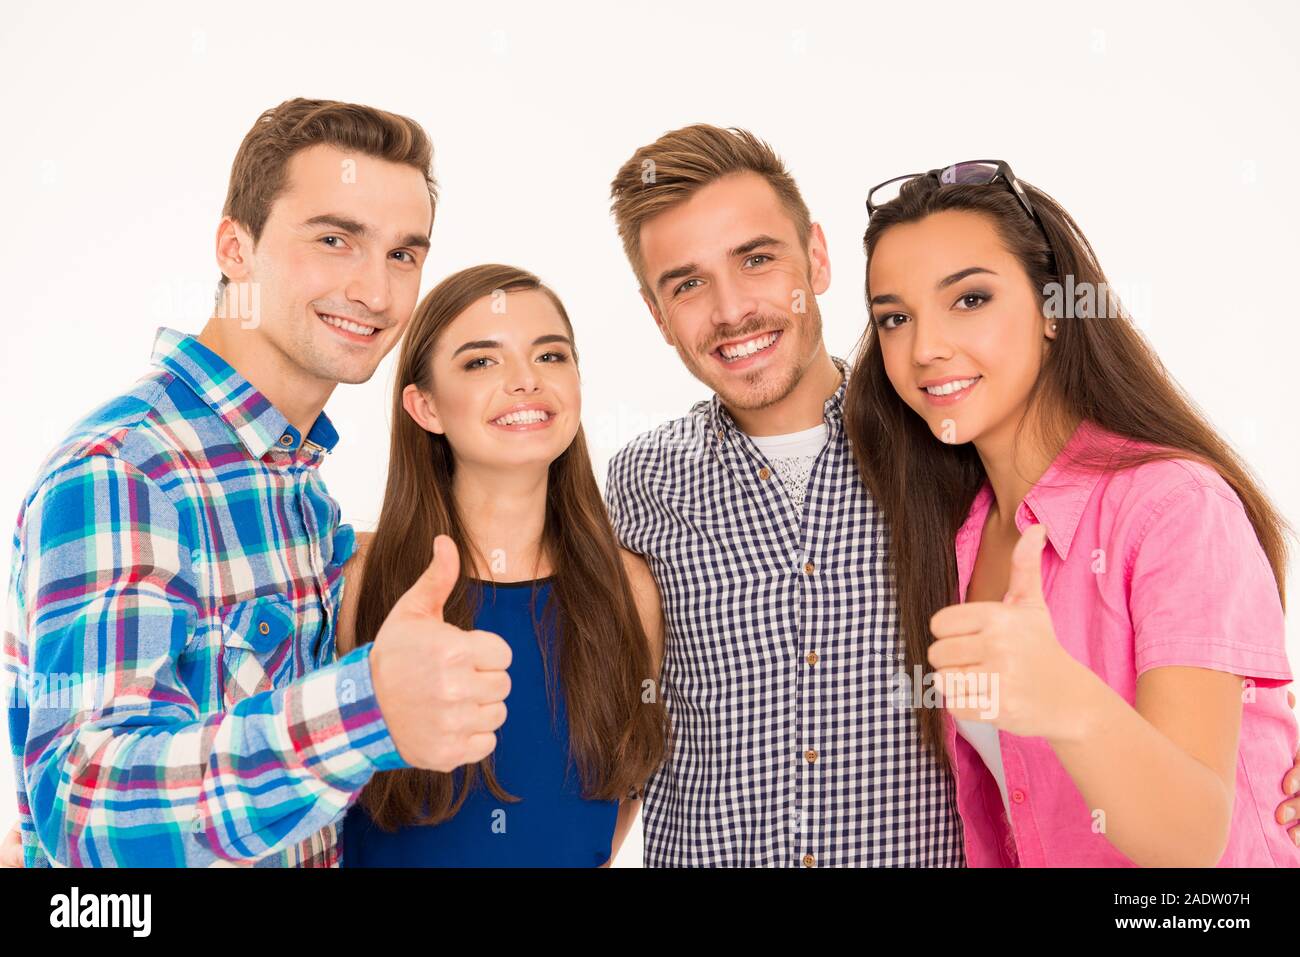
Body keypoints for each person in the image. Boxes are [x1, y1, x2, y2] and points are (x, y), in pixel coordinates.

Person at [603, 125, 1300, 867]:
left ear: (815, 256)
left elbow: (1192, 789)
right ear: (655, 312)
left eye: (757, 258)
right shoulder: (643, 484)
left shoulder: (947, 457)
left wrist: (1245, 758)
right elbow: (600, 700)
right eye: (687, 282)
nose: (732, 307)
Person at [0, 98, 512, 867]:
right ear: (235, 249)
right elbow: (90, 811)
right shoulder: (128, 470)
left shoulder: (296, 486)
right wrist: (365, 704)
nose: (376, 293)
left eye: (404, 254)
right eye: (336, 239)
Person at [846, 160, 1300, 865]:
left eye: (969, 299)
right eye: (895, 318)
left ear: (1055, 308)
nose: (926, 348)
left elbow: (1189, 841)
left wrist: (1063, 697)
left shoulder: (1176, 506)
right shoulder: (955, 531)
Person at [335, 264, 667, 867]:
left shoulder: (630, 590)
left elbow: (610, 803)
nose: (526, 382)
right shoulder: (360, 580)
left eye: (551, 356)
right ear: (425, 406)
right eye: (482, 362)